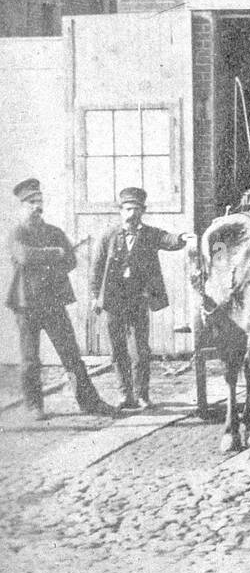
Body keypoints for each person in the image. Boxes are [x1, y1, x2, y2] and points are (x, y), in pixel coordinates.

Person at [6, 178, 118, 421]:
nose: (37, 206)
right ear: (22, 206)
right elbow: (24, 256)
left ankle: (89, 402)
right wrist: (54, 254)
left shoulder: (54, 232)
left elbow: (70, 260)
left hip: (53, 303)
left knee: (71, 356)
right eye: (31, 202)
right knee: (30, 359)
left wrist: (53, 257)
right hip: (26, 305)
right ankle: (34, 406)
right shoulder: (17, 232)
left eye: (39, 201)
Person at [90, 187, 189, 410]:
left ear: (142, 211)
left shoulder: (149, 234)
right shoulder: (108, 236)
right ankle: (125, 395)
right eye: (127, 209)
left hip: (137, 300)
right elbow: (95, 268)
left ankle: (142, 395)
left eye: (136, 209)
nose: (131, 214)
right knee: (117, 350)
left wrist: (182, 237)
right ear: (120, 211)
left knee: (140, 350)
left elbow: (169, 239)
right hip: (113, 302)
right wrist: (94, 296)